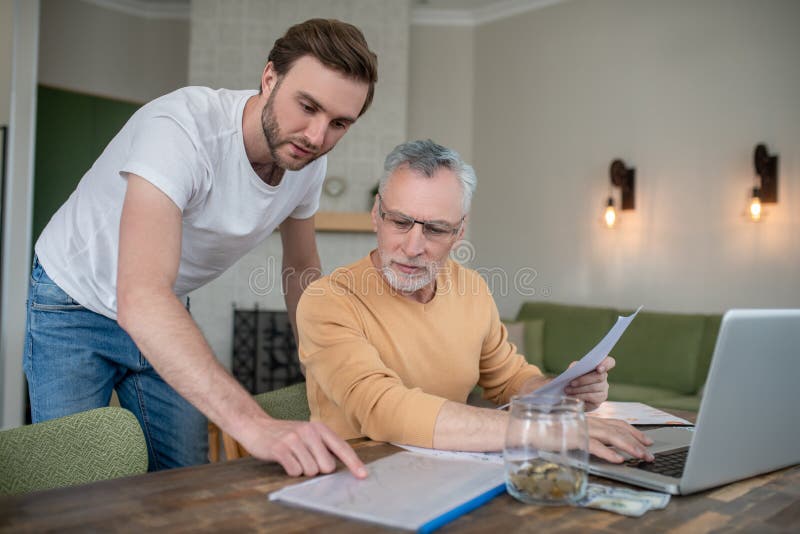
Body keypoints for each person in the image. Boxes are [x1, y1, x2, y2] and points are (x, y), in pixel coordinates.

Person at [24, 18, 377, 478]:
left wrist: (327, 369)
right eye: (307, 106)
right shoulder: (182, 129)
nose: (316, 136)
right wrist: (254, 424)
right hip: (72, 299)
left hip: (160, 303)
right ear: (270, 78)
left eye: (338, 123)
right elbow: (140, 297)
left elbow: (301, 268)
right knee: (70, 489)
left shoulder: (307, 165)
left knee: (186, 475)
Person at [296, 140, 654, 462]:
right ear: (377, 214)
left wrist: (563, 392)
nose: (413, 247)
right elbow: (381, 408)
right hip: (356, 481)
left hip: (449, 474)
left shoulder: (472, 289)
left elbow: (510, 381)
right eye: (400, 221)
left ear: (460, 231)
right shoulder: (327, 300)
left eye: (435, 229)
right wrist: (546, 431)